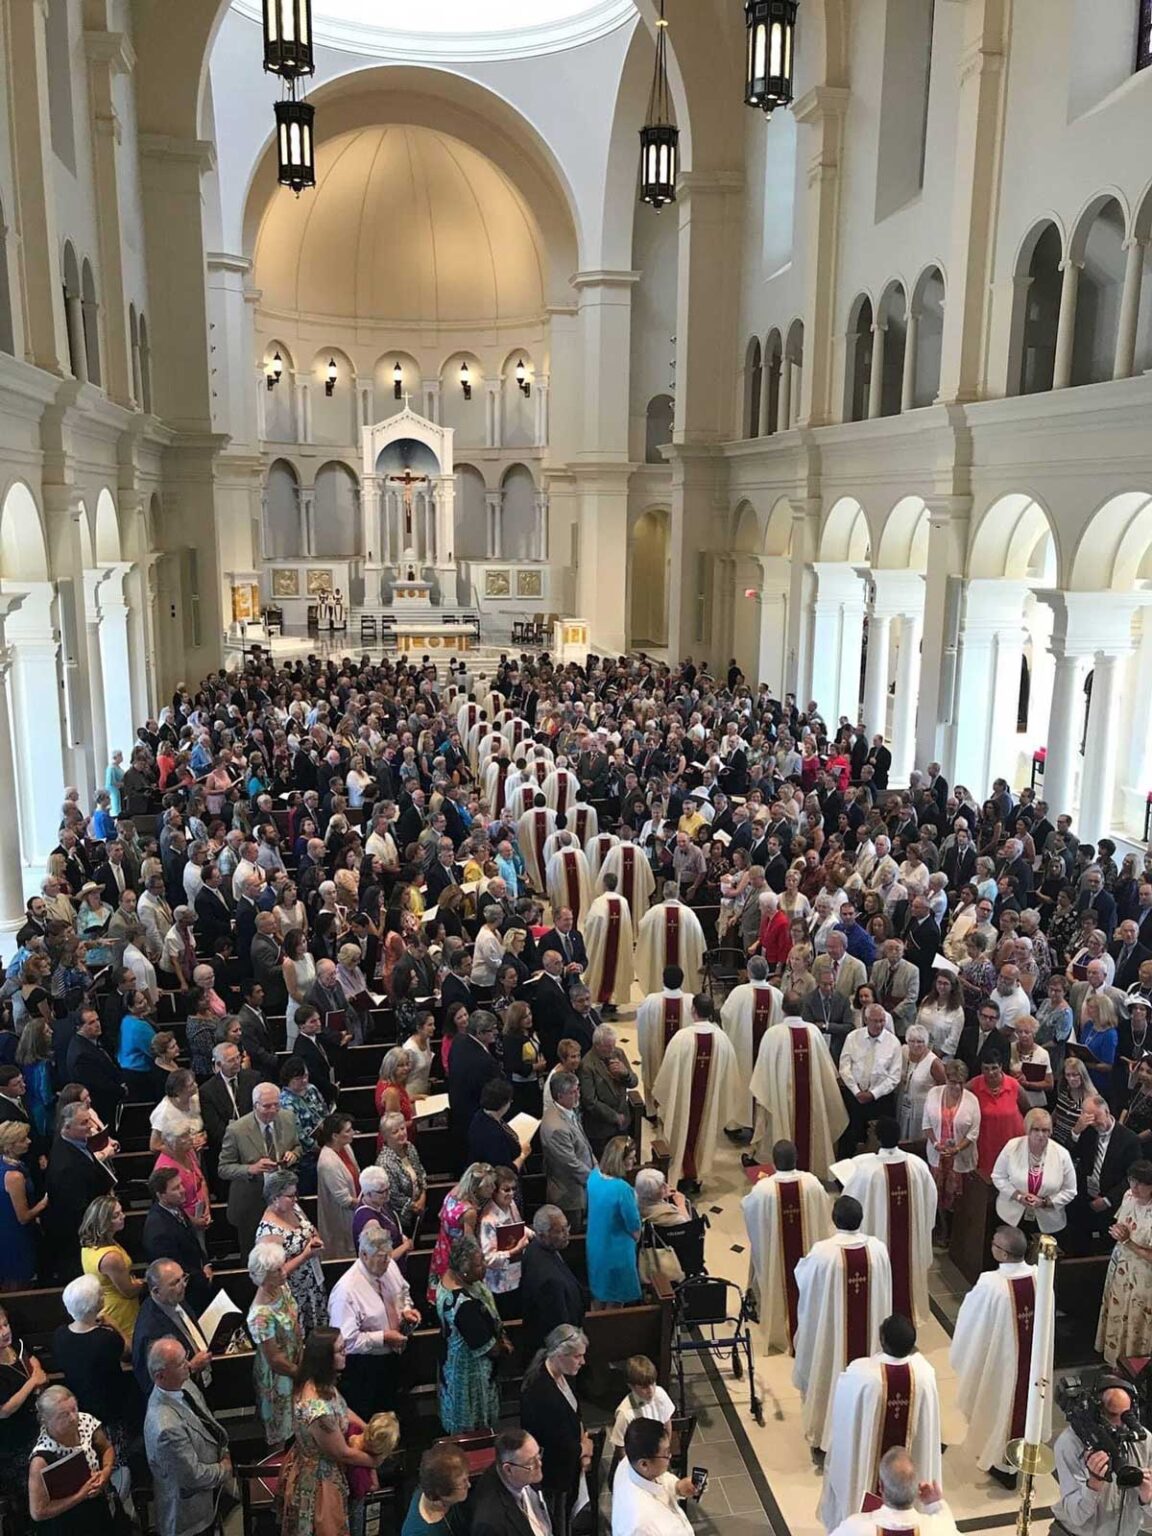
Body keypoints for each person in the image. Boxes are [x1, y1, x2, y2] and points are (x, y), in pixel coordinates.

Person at [819, 1314, 942, 1533]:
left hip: (866, 1478)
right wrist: (935, 1505)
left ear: (882, 1341)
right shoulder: (925, 1374)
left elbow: (843, 1423)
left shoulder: (860, 1375)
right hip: (911, 1483)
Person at [792, 1195, 893, 1458]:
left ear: (834, 1220)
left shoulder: (823, 1252)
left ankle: (825, 1436)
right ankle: (866, 1431)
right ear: (861, 1219)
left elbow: (803, 1280)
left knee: (829, 1371)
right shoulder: (878, 1249)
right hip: (870, 1331)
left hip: (831, 1333)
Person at [950, 1225, 1051, 1487]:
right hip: (1031, 1365)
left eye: (994, 1244)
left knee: (997, 1406)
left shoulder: (990, 1285)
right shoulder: (1041, 1278)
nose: (991, 1246)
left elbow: (971, 1326)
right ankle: (1015, 1459)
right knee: (1021, 1406)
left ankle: (1002, 1463)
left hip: (1001, 1363)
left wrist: (968, 1356)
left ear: (1003, 1254)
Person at [278, 1327, 383, 1536]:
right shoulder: (318, 1409)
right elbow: (340, 1452)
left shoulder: (321, 1382)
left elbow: (343, 1409)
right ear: (324, 1358)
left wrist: (368, 1428)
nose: (346, 1353)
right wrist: (375, 1461)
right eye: (340, 1350)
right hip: (320, 1482)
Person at [834, 1117, 938, 1326]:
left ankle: (881, 1319)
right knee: (905, 1274)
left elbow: (850, 1204)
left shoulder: (866, 1171)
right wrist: (921, 1228)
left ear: (878, 1139)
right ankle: (909, 1320)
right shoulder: (917, 1165)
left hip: (878, 1240)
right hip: (910, 1244)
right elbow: (930, 1201)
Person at [742, 1139, 832, 1352]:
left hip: (777, 1256)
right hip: (806, 1251)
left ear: (773, 1163)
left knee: (771, 1274)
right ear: (797, 1159)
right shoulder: (811, 1182)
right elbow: (824, 1209)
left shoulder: (763, 1189)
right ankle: (807, 1325)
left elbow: (748, 1209)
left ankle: (778, 1329)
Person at [142, 1335, 234, 1536]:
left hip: (207, 1497)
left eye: (186, 1358)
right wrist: (224, 1469)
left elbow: (207, 1422)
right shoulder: (165, 1427)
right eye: (180, 1363)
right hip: (189, 1516)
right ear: (160, 1375)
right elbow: (192, 1476)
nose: (188, 1365)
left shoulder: (183, 1384)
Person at [328, 1223, 421, 1418]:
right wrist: (383, 1337)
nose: (387, 1262)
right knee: (371, 1419)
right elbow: (347, 1341)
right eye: (381, 1258)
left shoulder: (389, 1266)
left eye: (389, 1256)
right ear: (363, 1255)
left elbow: (403, 1291)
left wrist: (406, 1310)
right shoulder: (346, 1291)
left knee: (396, 1411)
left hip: (395, 1356)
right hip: (366, 1367)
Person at [748, 1002, 848, 1179]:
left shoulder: (773, 1034)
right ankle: (814, 1170)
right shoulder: (814, 1032)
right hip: (812, 1101)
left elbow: (761, 1077)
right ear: (802, 1009)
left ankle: (782, 1173)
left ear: (783, 1009)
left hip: (782, 1100)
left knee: (779, 1129)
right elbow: (828, 1072)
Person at [651, 994, 740, 1192]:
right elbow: (731, 1078)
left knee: (679, 1133)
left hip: (681, 1104)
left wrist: (660, 1097)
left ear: (693, 1011)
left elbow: (667, 1072)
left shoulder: (681, 1038)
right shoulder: (723, 1040)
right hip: (708, 1107)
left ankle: (679, 1175)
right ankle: (696, 1176)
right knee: (704, 1134)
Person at [1052, 1381, 1152, 1536]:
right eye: (1113, 1415)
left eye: (1126, 1415)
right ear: (1098, 1411)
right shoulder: (1070, 1444)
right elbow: (1076, 1516)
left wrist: (1148, 1498)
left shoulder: (1144, 1441)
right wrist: (1093, 1485)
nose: (1119, 1424)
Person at [52, 1276, 142, 1446]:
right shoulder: (105, 1338)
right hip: (110, 1406)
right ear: (98, 1304)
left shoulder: (60, 1334)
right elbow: (129, 1351)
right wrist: (114, 1325)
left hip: (80, 1404)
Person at [519, 1325, 590, 1536]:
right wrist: (583, 1449)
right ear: (560, 1354)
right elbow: (556, 1445)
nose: (583, 1362)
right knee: (556, 1521)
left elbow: (574, 1411)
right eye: (578, 1356)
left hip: (567, 1462)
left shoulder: (560, 1373)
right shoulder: (542, 1393)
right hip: (552, 1474)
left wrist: (582, 1437)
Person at [218, 1081, 300, 1257]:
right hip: (251, 1202)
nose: (272, 1110)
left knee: (285, 1252)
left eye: (276, 1105)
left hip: (283, 1198)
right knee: (254, 1255)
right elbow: (223, 1168)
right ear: (255, 1105)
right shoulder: (236, 1130)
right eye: (267, 1106)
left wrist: (294, 1154)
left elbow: (297, 1146)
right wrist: (251, 1168)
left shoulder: (288, 1118)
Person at [436, 1234, 508, 1434]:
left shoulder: (449, 1278)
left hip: (452, 1359)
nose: (484, 1267)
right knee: (472, 1425)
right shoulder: (464, 1306)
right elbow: (489, 1348)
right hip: (468, 1372)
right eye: (478, 1265)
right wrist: (501, 1345)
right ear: (463, 1269)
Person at [27, 1385, 117, 1536]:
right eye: (63, 1415)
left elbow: (106, 1448)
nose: (74, 1417)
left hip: (97, 1507)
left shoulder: (85, 1422)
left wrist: (105, 1472)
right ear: (46, 1420)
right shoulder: (41, 1459)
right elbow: (38, 1511)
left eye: (74, 1409)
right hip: (66, 1522)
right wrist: (80, 1495)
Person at [1065, 1092, 1144, 1254]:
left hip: (1111, 1201)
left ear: (1107, 1112)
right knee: (1079, 1240)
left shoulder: (1129, 1140)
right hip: (1083, 1197)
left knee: (1103, 1245)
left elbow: (1132, 1177)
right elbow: (1068, 1155)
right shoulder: (1087, 1130)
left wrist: (1108, 1200)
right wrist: (1076, 1131)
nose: (1094, 1122)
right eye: (1089, 1118)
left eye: (1097, 1116)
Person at [826, 1447, 961, 1536]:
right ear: (916, 1488)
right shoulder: (938, 1529)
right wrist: (936, 1504)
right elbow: (950, 1528)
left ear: (881, 1487)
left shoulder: (854, 1528)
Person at [246, 1239, 303, 1450]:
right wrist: (301, 1372)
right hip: (279, 1376)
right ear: (264, 1277)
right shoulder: (260, 1314)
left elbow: (294, 1321)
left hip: (295, 1357)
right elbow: (275, 1360)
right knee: (280, 1429)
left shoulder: (282, 1287)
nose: (283, 1272)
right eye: (277, 1270)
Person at [255, 1169, 328, 1331]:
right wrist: (305, 1255)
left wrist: (316, 1240)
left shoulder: (293, 1209)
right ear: (275, 1197)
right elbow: (274, 1273)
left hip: (313, 1284)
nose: (295, 1199)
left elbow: (310, 1229)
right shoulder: (269, 1232)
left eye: (295, 1195)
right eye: (290, 1196)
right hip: (293, 1294)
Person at [1097, 1159, 1152, 1364]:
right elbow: (1121, 1223)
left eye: (1141, 1184)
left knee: (1137, 1319)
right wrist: (1119, 1233)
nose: (1134, 1187)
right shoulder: (1129, 1196)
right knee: (1118, 1312)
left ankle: (1135, 1366)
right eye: (1131, 1180)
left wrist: (1128, 1242)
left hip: (1144, 1275)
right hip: (1121, 1266)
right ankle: (1115, 1362)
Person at [720, 956, 783, 1129]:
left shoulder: (739, 993)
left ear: (749, 972)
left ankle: (736, 1124)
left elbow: (725, 1016)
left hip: (743, 1052)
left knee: (741, 1083)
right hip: (767, 1055)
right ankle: (761, 1126)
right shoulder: (778, 995)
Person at [991, 1107, 1078, 1233]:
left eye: (1045, 1130)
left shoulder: (1062, 1154)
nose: (1041, 1134)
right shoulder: (1012, 1146)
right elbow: (998, 1177)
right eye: (1036, 1129)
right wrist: (1018, 1196)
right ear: (1027, 1129)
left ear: (1051, 1131)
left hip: (1047, 1220)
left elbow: (1070, 1191)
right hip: (1011, 1215)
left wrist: (1044, 1203)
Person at [141, 1166, 214, 1314]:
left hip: (197, 1282)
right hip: (184, 1294)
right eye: (175, 1188)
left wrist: (206, 1263)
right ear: (161, 1195)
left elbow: (193, 1240)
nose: (182, 1190)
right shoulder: (158, 1229)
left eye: (180, 1184)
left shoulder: (175, 1207)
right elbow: (171, 1268)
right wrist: (202, 1277)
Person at [922, 1061, 981, 1244]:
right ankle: (942, 1229)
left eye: (961, 1082)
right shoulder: (934, 1093)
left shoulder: (972, 1100)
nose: (957, 1086)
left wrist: (957, 1148)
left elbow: (974, 1133)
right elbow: (926, 1124)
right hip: (937, 1155)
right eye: (953, 1081)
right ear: (946, 1078)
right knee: (938, 1196)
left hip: (961, 1158)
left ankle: (957, 1236)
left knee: (958, 1198)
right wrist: (935, 1143)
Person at [609, 1417, 700, 1536]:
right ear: (644, 1464)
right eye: (666, 1453)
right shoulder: (642, 1525)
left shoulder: (630, 1462)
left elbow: (660, 1479)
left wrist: (677, 1487)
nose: (670, 1456)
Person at [837, 1003, 903, 1158]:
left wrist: (873, 1094)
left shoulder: (893, 1043)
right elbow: (844, 1067)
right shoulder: (853, 1037)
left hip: (880, 1100)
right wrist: (856, 1091)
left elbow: (894, 1077)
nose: (879, 1025)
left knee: (879, 1140)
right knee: (850, 1137)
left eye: (882, 1021)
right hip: (854, 1097)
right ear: (866, 1020)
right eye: (875, 1021)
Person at [79, 1194, 145, 1345]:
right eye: (116, 1215)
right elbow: (127, 1291)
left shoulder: (89, 1246)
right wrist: (143, 1283)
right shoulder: (111, 1257)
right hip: (119, 1310)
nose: (123, 1216)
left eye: (121, 1212)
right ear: (104, 1221)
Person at [520, 1206, 586, 1353]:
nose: (566, 1234)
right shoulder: (550, 1280)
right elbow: (559, 1326)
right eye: (560, 1231)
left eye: (566, 1227)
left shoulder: (537, 1248)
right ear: (542, 1235)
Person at [585, 1135, 641, 1306]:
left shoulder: (593, 1176)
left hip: (595, 1244)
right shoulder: (622, 1189)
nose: (634, 1161)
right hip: (617, 1251)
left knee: (599, 1294)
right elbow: (634, 1226)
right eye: (631, 1158)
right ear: (619, 1160)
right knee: (616, 1300)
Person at [429, 1161, 496, 1301]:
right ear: (476, 1188)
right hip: (456, 1253)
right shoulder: (469, 1211)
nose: (493, 1188)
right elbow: (469, 1244)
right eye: (489, 1186)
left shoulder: (455, 1191)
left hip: (443, 1245)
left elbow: (440, 1214)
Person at [471, 1428, 552, 1536]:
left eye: (538, 1455)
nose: (539, 1464)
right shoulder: (491, 1523)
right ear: (508, 1469)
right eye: (531, 1462)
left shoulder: (523, 1469)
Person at [541, 1072, 596, 1230]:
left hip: (581, 1186)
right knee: (572, 1235)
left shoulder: (566, 1110)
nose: (578, 1094)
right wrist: (596, 1180)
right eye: (573, 1092)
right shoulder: (556, 1127)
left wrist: (596, 1166)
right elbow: (570, 1164)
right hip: (569, 1194)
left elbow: (584, 1144)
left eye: (577, 1089)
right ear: (560, 1095)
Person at [634, 884, 705, 995]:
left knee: (657, 982)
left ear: (663, 893)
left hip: (659, 963)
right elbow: (699, 939)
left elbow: (641, 928)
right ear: (678, 894)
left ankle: (659, 994)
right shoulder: (689, 914)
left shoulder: (653, 912)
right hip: (683, 963)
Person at [479, 1164, 530, 1319]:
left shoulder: (512, 1205)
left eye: (513, 1189)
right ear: (495, 1191)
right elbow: (487, 1258)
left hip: (517, 1274)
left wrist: (533, 1233)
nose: (511, 1194)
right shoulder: (488, 1220)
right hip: (499, 1284)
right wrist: (513, 1251)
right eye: (506, 1190)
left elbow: (518, 1227)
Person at [577, 1024, 637, 1155]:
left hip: (622, 1122)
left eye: (613, 1045)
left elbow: (634, 1082)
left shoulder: (618, 1053)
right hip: (601, 1128)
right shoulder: (587, 1065)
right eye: (608, 1046)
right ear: (597, 1045)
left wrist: (625, 1073)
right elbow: (590, 1101)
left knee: (622, 1158)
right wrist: (614, 1116)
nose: (612, 1050)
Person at [0, 1120, 44, 1286]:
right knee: (19, 1279)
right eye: (23, 1140)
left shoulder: (8, 1164)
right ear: (10, 1146)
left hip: (6, 1229)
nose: (29, 1141)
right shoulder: (14, 1176)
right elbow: (23, 1217)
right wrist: (44, 1202)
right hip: (15, 1236)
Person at [635, 966, 688, 1099]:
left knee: (654, 1074)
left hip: (655, 1057)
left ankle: (652, 1110)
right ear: (682, 981)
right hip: (680, 1057)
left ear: (663, 980)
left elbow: (641, 1026)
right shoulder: (690, 1001)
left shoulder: (651, 1001)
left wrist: (645, 1051)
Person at [970, 1057, 1029, 1175]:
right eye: (986, 1069)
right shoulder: (974, 1084)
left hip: (1012, 1140)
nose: (990, 1072)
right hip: (987, 1143)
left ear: (1001, 1067)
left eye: (994, 1068)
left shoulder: (1013, 1084)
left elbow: (1027, 1108)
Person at [400, 1442, 472, 1536]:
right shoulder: (419, 1533)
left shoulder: (433, 1486)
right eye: (463, 1483)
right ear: (442, 1493)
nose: (469, 1485)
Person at [608, 1354, 675, 1451]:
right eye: (644, 1387)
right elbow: (619, 1445)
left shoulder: (660, 1393)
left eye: (653, 1383)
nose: (651, 1390)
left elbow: (667, 1421)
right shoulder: (625, 1413)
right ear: (631, 1386)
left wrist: (666, 1449)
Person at [316, 1111, 360, 1258]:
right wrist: (368, 1203)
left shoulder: (346, 1147)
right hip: (342, 1218)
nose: (353, 1133)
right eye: (348, 1131)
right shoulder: (328, 1162)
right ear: (335, 1136)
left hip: (356, 1208)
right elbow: (345, 1200)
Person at [375, 1112, 428, 1235]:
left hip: (419, 1209)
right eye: (395, 1132)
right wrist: (415, 1206)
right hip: (400, 1219)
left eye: (402, 1128)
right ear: (385, 1137)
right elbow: (393, 1196)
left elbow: (421, 1172)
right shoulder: (384, 1162)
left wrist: (423, 1195)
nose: (402, 1133)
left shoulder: (409, 1147)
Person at [469, 1077, 529, 1170]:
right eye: (510, 1101)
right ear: (503, 1104)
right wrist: (523, 1155)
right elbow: (506, 1171)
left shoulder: (481, 1114)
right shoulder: (494, 1135)